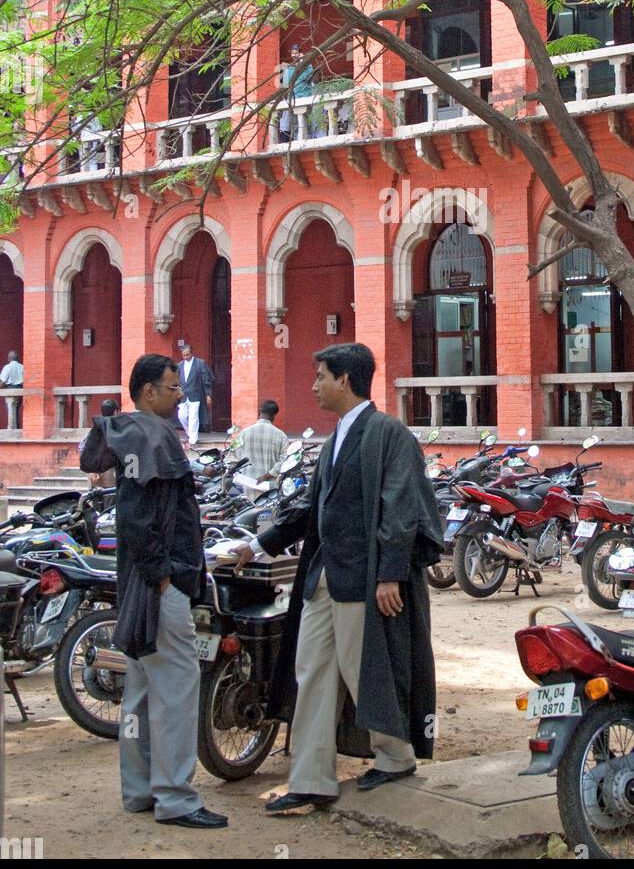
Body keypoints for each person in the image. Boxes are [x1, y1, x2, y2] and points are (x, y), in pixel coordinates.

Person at [231, 342, 443, 813]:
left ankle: (395, 757)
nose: (314, 386)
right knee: (313, 672)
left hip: (365, 579)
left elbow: (401, 507)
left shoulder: (389, 434)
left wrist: (389, 574)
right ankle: (311, 778)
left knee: (363, 670)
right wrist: (260, 543)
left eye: (321, 376)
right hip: (324, 576)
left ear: (344, 379)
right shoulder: (336, 439)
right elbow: (310, 507)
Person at [79, 354, 227, 830]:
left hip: (139, 586)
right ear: (146, 392)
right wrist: (164, 575)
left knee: (140, 693)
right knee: (177, 691)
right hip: (159, 586)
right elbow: (138, 517)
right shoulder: (153, 435)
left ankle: (140, 789)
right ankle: (177, 798)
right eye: (170, 387)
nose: (179, 394)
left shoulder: (131, 432)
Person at [226, 400, 290, 482]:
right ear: (274, 415)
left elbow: (235, 451)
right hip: (269, 487)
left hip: (247, 483)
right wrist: (268, 475)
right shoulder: (281, 435)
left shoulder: (244, 433)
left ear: (259, 411)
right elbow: (284, 460)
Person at [176, 342, 214, 448]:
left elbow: (206, 379)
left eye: (187, 354)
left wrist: (208, 394)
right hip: (183, 396)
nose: (185, 357)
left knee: (193, 417)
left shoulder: (200, 363)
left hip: (196, 395)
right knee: (181, 416)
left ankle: (193, 440)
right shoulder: (179, 365)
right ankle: (190, 433)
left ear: (191, 353)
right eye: (184, 355)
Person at [0, 349, 23, 428]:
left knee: (11, 408)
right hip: (20, 388)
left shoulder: (7, 367)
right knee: (16, 408)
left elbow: (3, 381)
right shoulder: (22, 367)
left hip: (10, 388)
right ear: (17, 358)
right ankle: (17, 425)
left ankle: (13, 427)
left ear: (9, 358)